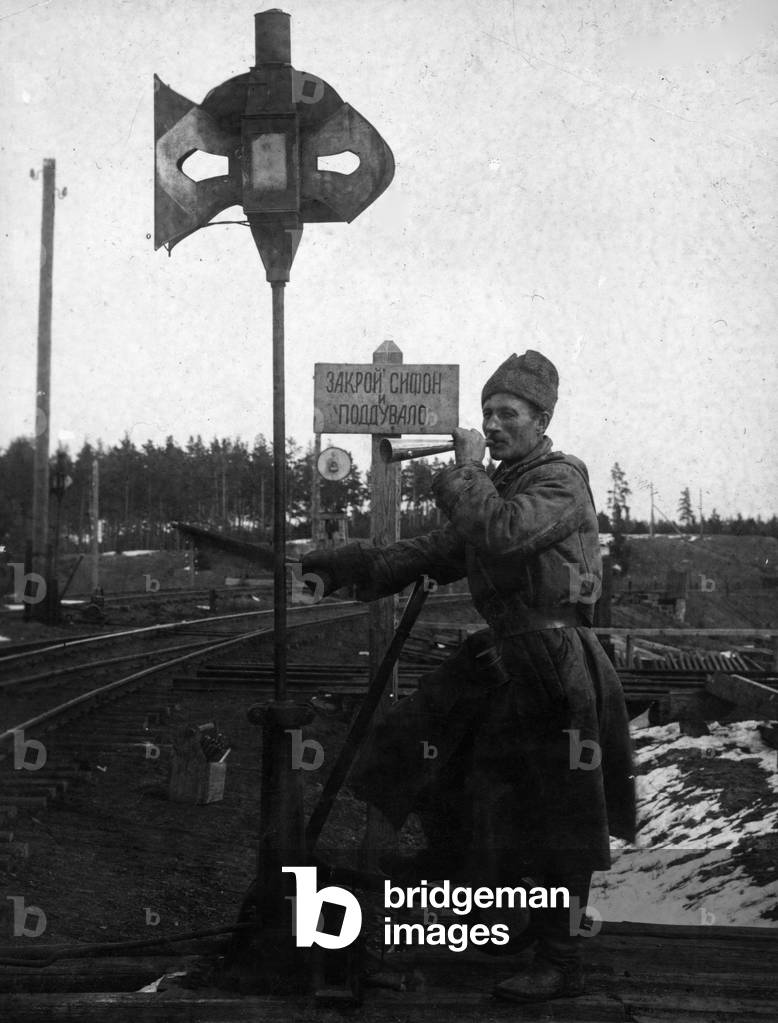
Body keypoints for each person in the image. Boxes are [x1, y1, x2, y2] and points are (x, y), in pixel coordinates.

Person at [302, 350, 636, 1002]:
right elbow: (432, 552)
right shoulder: (502, 487)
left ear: (542, 419)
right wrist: (342, 566)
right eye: (488, 413)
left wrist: (465, 468)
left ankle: (562, 959)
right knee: (439, 765)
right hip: (511, 661)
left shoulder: (561, 481)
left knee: (558, 815)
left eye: (508, 413)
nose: (494, 422)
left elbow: (505, 534)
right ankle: (497, 913)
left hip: (558, 667)